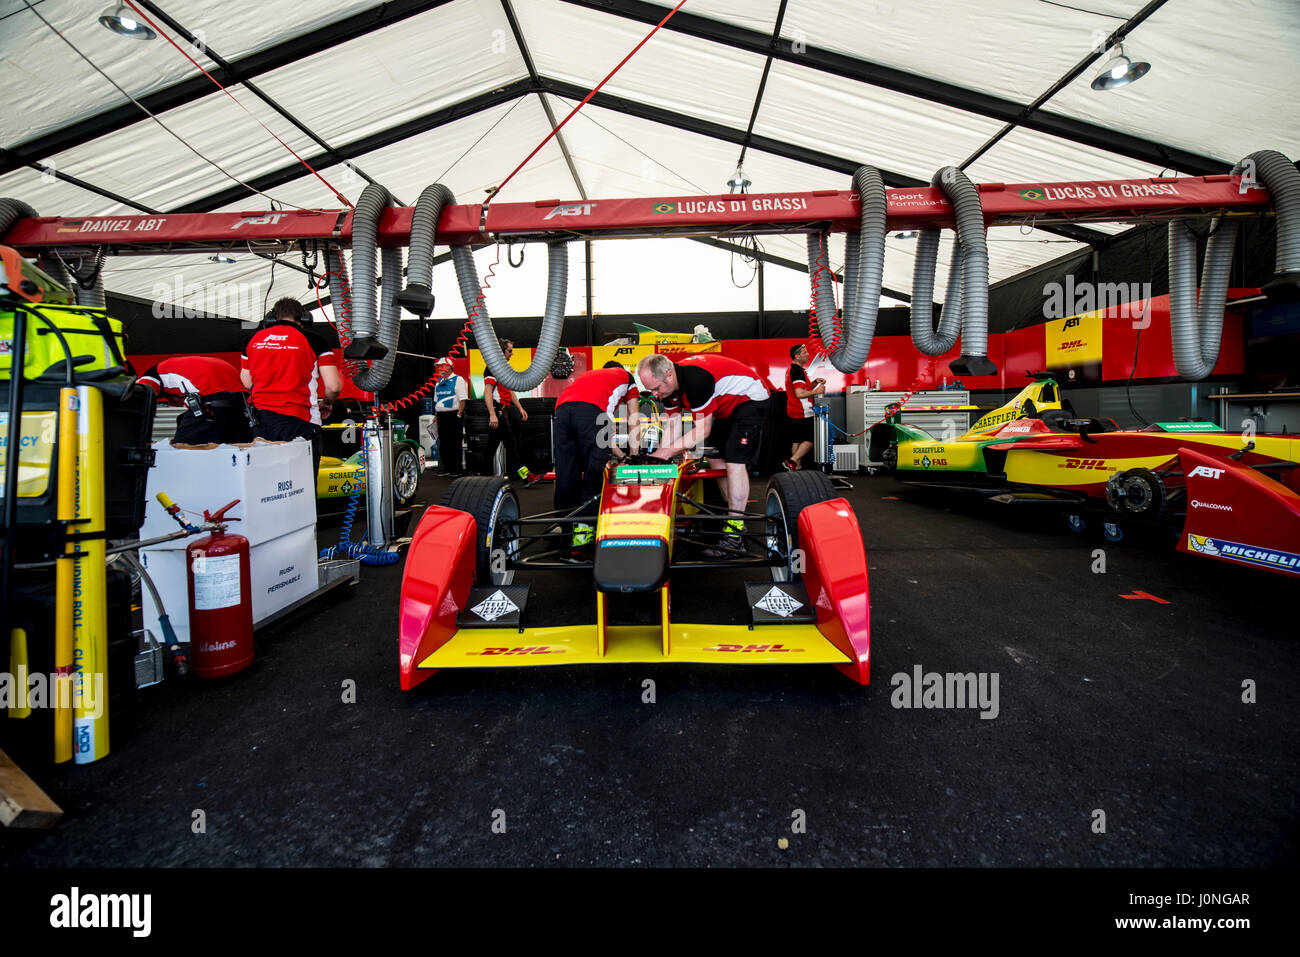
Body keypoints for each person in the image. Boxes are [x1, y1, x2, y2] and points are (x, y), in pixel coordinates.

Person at [636, 352, 769, 556]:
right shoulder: (669, 388)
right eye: (650, 390)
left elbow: (702, 430)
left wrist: (665, 453)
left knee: (734, 460)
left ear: (669, 375)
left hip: (751, 399)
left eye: (656, 388)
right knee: (714, 457)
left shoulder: (696, 381)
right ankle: (734, 517)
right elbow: (672, 425)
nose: (654, 395)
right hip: (726, 407)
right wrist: (658, 457)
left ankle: (734, 534)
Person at [240, 297, 341, 473]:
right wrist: (328, 402)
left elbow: (247, 381)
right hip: (301, 421)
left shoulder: (253, 339)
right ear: (303, 318)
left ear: (272, 317)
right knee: (303, 487)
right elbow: (333, 386)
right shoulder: (315, 340)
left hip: (262, 422)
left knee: (265, 486)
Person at [552, 362, 640, 552]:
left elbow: (601, 435)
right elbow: (634, 419)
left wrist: (621, 455)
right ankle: (582, 544)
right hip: (594, 414)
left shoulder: (589, 377)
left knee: (567, 475)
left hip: (561, 411)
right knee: (594, 475)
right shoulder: (627, 378)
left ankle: (562, 529)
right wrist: (634, 456)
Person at [138, 355, 254, 445]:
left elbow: (142, 402)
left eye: (170, 401)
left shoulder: (149, 377)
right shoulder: (185, 365)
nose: (176, 405)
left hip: (212, 405)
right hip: (241, 407)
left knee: (183, 448)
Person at [481, 337, 538, 483]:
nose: (512, 353)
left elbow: (510, 391)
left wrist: (520, 408)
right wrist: (493, 414)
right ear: (502, 351)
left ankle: (483, 477)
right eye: (510, 350)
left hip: (504, 410)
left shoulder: (505, 369)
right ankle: (525, 476)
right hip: (497, 410)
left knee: (493, 445)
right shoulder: (492, 368)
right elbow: (487, 392)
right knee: (511, 444)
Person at [783, 343, 825, 471]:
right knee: (810, 439)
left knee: (796, 440)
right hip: (802, 411)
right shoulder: (797, 371)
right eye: (805, 352)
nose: (808, 355)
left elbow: (803, 389)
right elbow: (800, 393)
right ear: (797, 356)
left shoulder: (793, 370)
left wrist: (814, 383)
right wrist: (817, 391)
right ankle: (792, 461)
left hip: (794, 410)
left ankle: (796, 468)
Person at [432, 357, 467, 475]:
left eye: (441, 366)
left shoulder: (458, 380)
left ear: (449, 367)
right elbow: (436, 400)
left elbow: (463, 400)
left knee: (455, 442)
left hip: (454, 414)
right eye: (438, 366)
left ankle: (456, 469)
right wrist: (436, 415)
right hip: (441, 415)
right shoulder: (438, 382)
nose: (439, 368)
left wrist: (458, 415)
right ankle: (446, 468)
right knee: (444, 442)